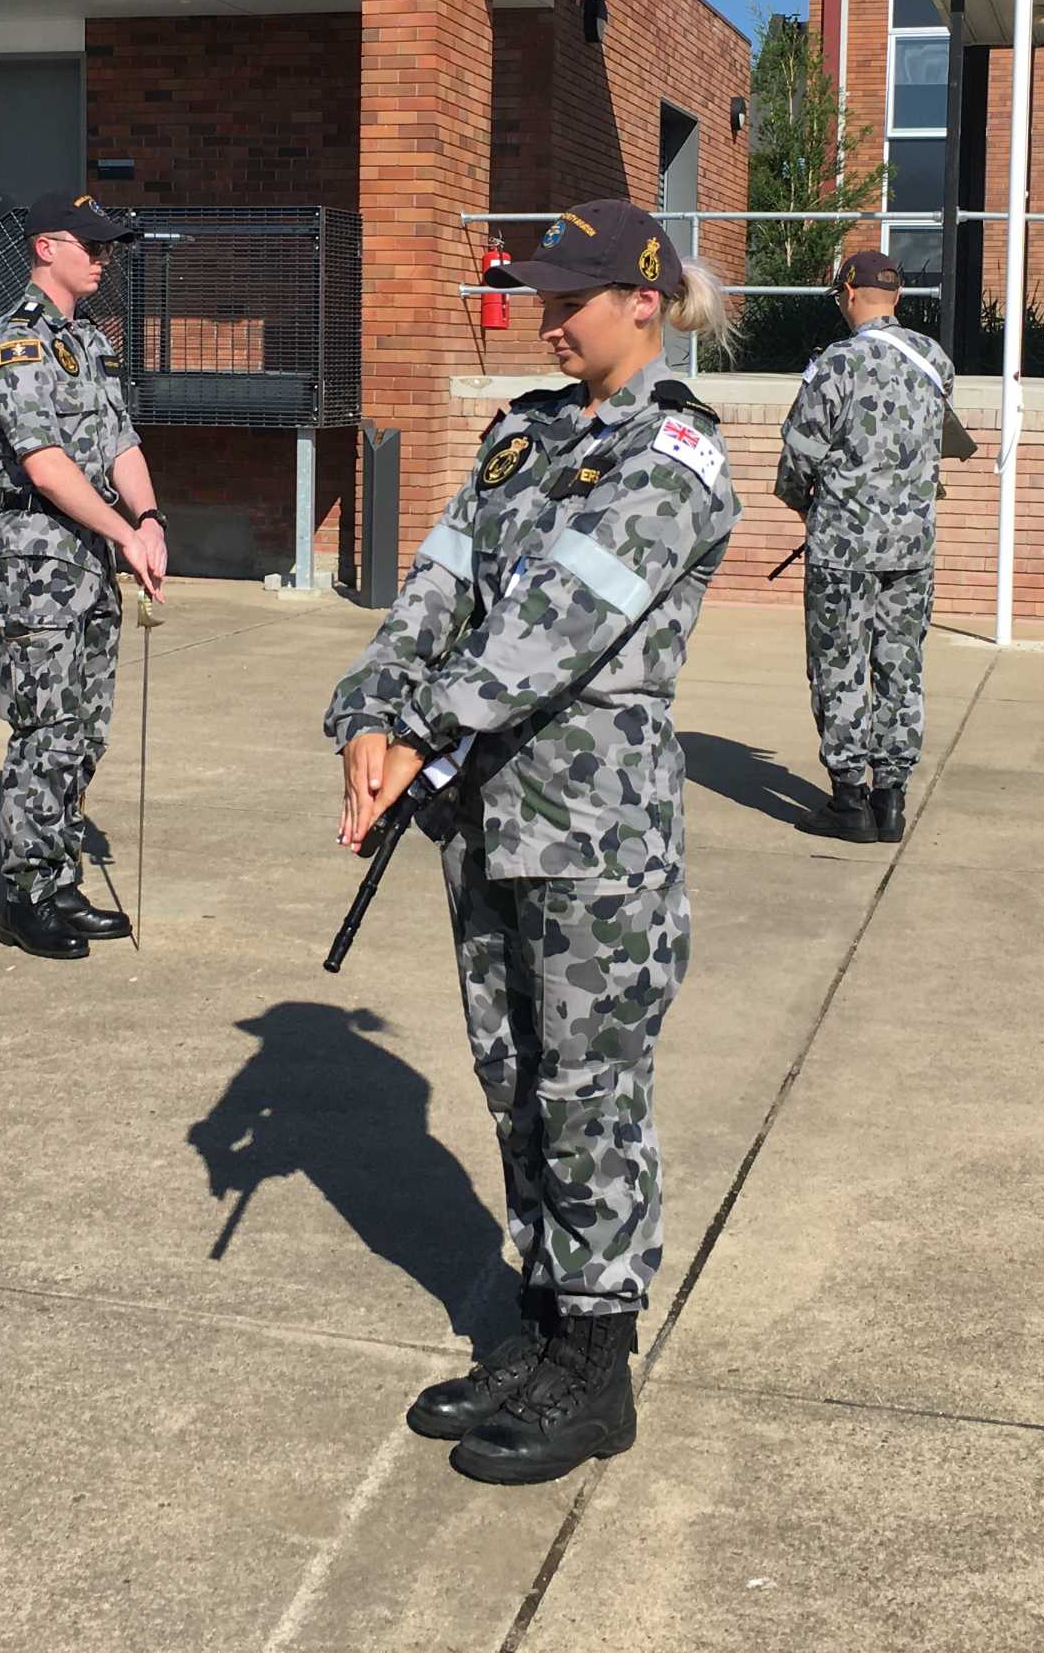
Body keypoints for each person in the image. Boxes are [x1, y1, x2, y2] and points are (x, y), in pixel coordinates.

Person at [325, 198, 739, 1486]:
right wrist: (369, 710)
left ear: (645, 302)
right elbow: (439, 585)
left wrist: (418, 730)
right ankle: (544, 1324)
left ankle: (598, 1371)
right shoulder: (524, 437)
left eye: (571, 298)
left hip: (595, 832)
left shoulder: (673, 461)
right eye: (537, 296)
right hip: (485, 816)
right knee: (514, 1084)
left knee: (589, 1095)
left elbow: (554, 629)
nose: (546, 319)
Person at [0, 193, 170, 960]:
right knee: (46, 727)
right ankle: (25, 894)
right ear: (46, 247)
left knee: (86, 727)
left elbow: (120, 441)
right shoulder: (14, 343)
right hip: (41, 556)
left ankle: (59, 881)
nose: (103, 258)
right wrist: (123, 530)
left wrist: (149, 520)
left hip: (91, 553)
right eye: (90, 246)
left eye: (109, 248)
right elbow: (46, 465)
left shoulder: (88, 343)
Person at [775, 246, 958, 846]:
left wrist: (813, 510)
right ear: (897, 297)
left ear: (847, 294)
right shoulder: (935, 360)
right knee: (900, 663)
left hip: (842, 549)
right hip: (912, 547)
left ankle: (849, 799)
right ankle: (893, 798)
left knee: (839, 664)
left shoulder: (835, 365)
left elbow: (798, 459)